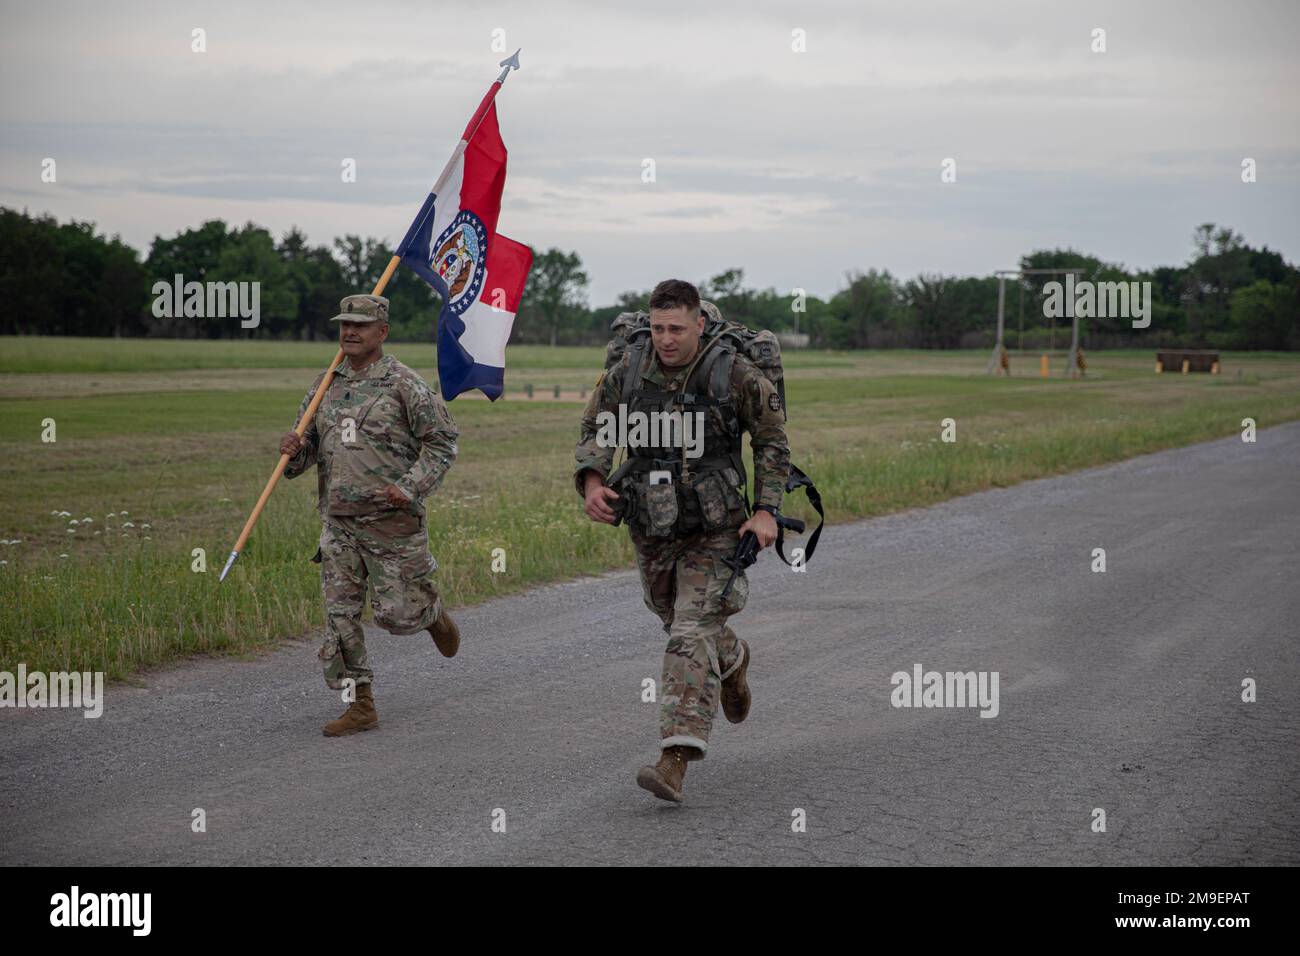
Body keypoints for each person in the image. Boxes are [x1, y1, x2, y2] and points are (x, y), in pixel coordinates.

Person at [574, 279, 791, 802]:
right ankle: (733, 661)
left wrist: (766, 512)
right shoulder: (628, 368)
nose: (666, 339)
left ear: (698, 323)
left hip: (716, 525)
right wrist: (592, 483)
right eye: (658, 328)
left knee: (688, 631)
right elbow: (598, 429)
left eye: (676, 328)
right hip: (651, 520)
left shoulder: (732, 372)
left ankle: (676, 754)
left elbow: (771, 441)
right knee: (672, 615)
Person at [281, 293, 461, 736]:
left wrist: (409, 486)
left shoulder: (404, 384)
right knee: (340, 616)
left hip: (392, 523)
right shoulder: (326, 384)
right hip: (339, 523)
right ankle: (361, 703)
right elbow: (305, 455)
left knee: (395, 616)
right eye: (344, 324)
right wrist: (292, 453)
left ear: (382, 332)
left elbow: (443, 443)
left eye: (359, 325)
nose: (349, 332)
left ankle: (430, 613)